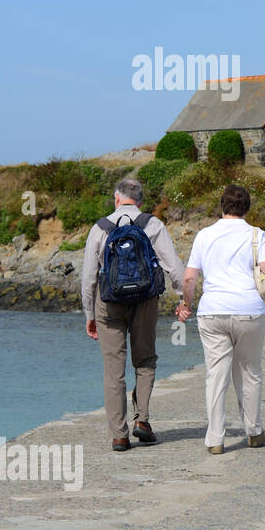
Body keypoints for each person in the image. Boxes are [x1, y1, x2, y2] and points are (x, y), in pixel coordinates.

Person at [82, 178, 186, 450]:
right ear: (139, 201)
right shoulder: (152, 224)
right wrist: (183, 298)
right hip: (144, 301)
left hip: (108, 303)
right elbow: (174, 267)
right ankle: (142, 421)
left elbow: (88, 277)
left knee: (113, 370)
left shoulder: (100, 227)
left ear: (117, 199)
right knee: (145, 360)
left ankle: (119, 435)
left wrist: (88, 314)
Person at [176, 184, 265, 455]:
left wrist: (186, 304)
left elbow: (189, 277)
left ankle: (215, 439)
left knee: (216, 375)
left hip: (213, 311)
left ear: (222, 206)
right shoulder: (256, 234)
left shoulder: (205, 235)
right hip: (249, 310)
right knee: (250, 372)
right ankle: (254, 431)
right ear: (247, 208)